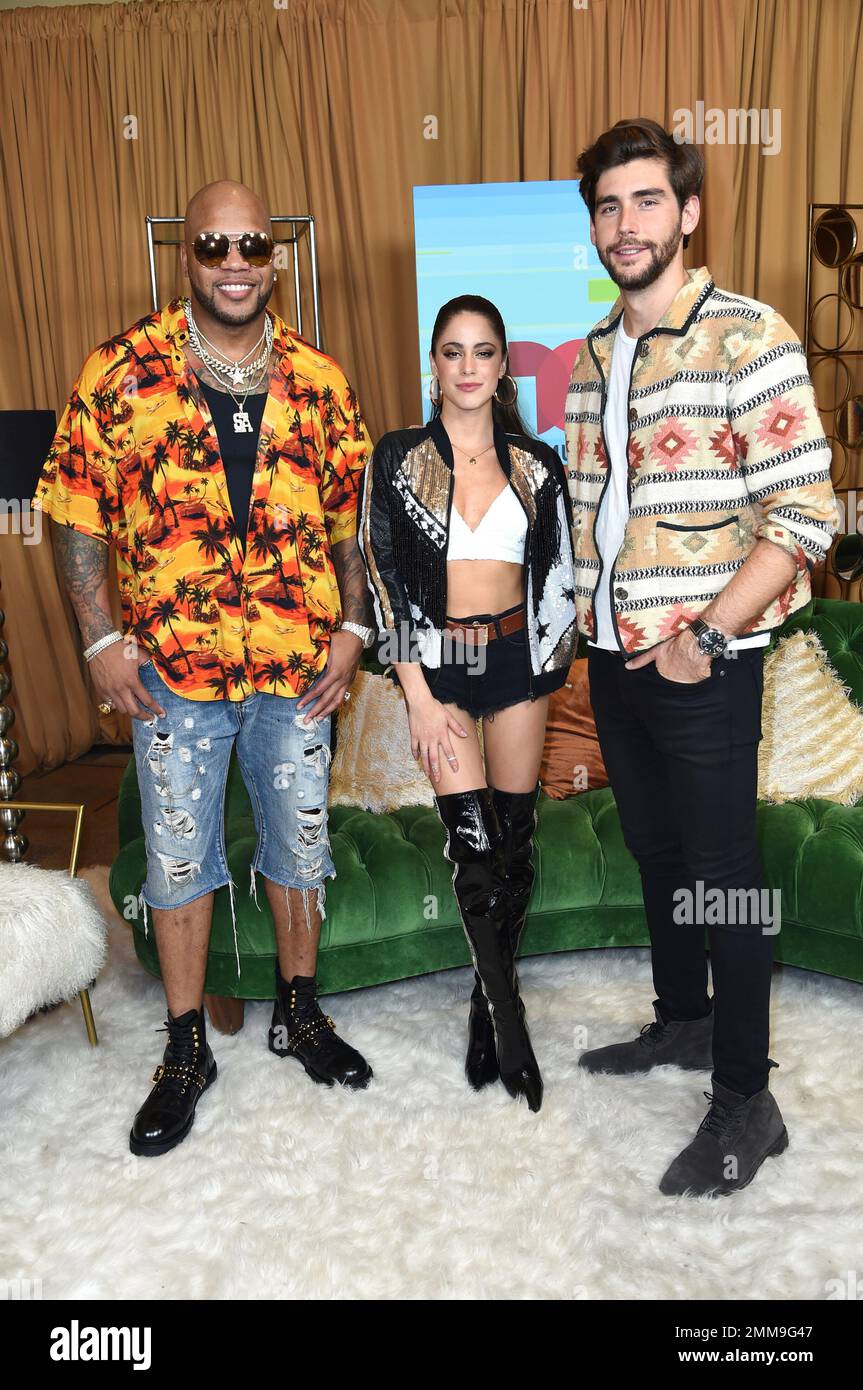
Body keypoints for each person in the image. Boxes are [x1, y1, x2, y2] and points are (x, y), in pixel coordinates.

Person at [34, 180, 377, 1156]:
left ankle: (297, 1009)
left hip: (296, 669)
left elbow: (351, 525)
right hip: (173, 675)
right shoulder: (121, 370)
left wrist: (352, 633)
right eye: (213, 247)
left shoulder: (320, 380)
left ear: (274, 258)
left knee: (299, 846)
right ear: (186, 257)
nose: (233, 264)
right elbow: (71, 511)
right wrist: (100, 640)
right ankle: (185, 1045)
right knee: (181, 864)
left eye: (251, 247)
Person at [565, 120, 838, 1195]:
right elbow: (599, 511)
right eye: (604, 206)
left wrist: (708, 635)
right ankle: (682, 1022)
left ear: (686, 213)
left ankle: (745, 1098)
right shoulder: (591, 353)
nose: (622, 225)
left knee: (726, 880)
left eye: (642, 202)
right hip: (608, 652)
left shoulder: (748, 334)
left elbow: (804, 512)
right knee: (657, 853)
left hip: (704, 660)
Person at [358, 295, 577, 1112]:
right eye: (452, 352)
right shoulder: (397, 458)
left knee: (515, 847)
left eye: (483, 352)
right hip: (441, 661)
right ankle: (511, 1026)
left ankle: (486, 1010)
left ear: (501, 367)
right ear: (434, 364)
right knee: (475, 845)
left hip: (516, 655)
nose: (468, 367)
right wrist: (415, 693)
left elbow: (557, 577)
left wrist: (552, 661)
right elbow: (379, 572)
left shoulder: (536, 467)